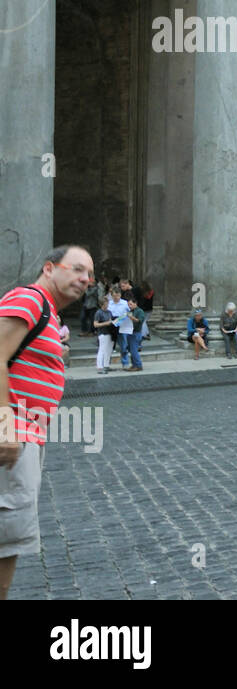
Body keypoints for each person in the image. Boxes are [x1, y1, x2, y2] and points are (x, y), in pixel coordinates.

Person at [0, 244, 93, 600]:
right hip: (12, 433)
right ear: (50, 268)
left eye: (89, 275)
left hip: (26, 435)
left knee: (7, 538)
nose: (85, 279)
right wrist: (5, 425)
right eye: (77, 269)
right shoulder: (29, 300)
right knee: (6, 534)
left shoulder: (47, 313)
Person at [92, 295, 116, 373]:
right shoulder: (98, 313)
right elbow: (95, 324)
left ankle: (106, 365)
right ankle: (100, 366)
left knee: (109, 350)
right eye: (106, 304)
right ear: (102, 304)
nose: (108, 305)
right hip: (103, 333)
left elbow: (111, 320)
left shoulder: (109, 312)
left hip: (110, 333)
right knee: (102, 350)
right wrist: (106, 323)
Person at [123, 295, 145, 370]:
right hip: (129, 332)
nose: (129, 306)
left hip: (136, 333)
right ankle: (134, 364)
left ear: (135, 304)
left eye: (131, 304)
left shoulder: (139, 311)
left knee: (134, 350)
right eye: (128, 304)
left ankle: (138, 365)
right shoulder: (130, 311)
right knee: (131, 350)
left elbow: (139, 320)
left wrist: (131, 317)